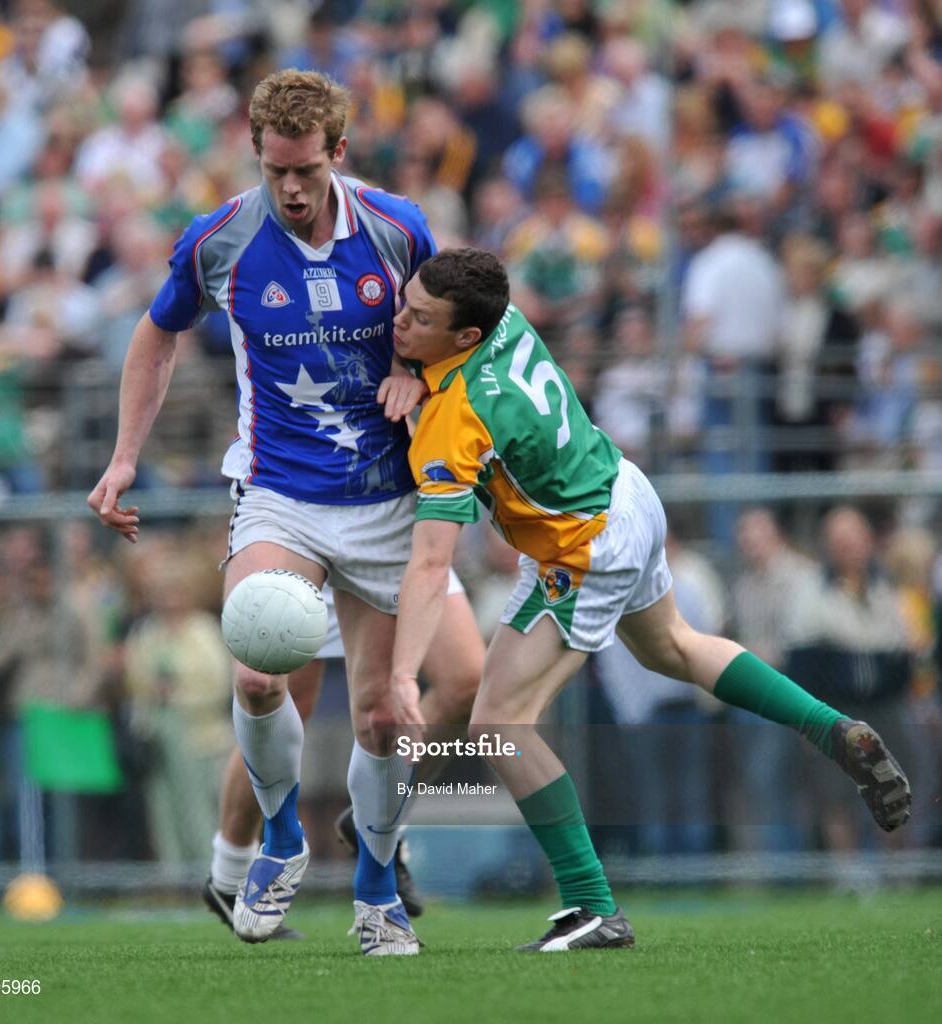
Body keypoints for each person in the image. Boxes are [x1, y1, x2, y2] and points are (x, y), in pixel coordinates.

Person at [386, 247, 911, 953]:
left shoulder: (451, 422)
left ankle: (590, 907)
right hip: (624, 489)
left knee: (500, 722)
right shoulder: (502, 317)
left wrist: (400, 673)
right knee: (673, 646)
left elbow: (430, 561)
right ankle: (828, 728)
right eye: (403, 302)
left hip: (581, 545)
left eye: (418, 318)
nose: (398, 321)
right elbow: (440, 333)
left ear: (465, 338)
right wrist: (409, 362)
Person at [88, 70, 484, 957]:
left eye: (305, 169)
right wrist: (122, 457)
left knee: (386, 714)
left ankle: (377, 892)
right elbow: (157, 333)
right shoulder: (220, 239)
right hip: (278, 492)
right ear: (257, 160)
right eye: (275, 172)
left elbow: (457, 331)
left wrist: (413, 371)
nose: (291, 189)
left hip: (386, 500)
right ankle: (276, 838)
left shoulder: (396, 227)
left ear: (338, 153)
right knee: (258, 676)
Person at [202, 579, 482, 939]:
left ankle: (376, 821)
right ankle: (231, 873)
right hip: (311, 538)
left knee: (464, 683)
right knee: (277, 691)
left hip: (396, 540)